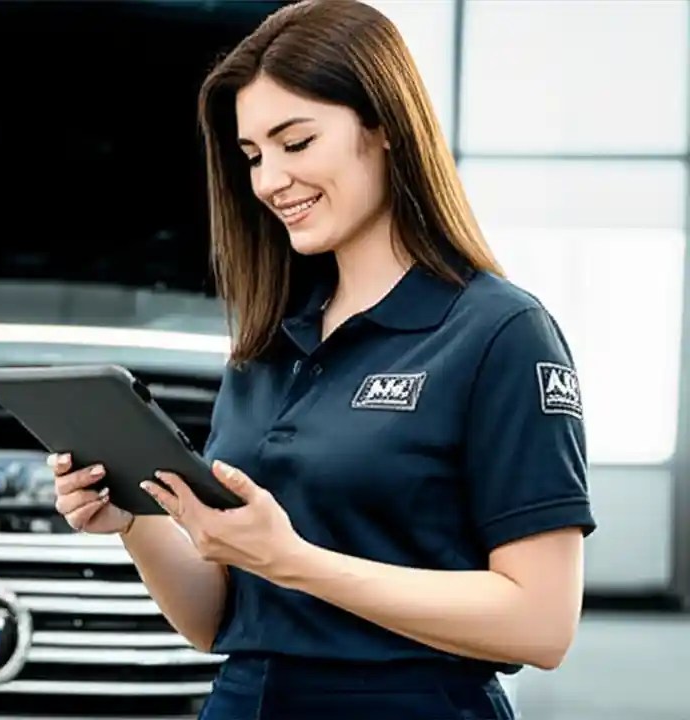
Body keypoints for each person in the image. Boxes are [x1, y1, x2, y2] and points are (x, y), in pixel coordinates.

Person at [48, 1, 596, 718]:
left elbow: (541, 623)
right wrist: (137, 520)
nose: (271, 180)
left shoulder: (500, 333)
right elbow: (216, 620)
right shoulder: (269, 343)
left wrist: (295, 561)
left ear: (386, 128)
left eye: (296, 142)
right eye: (252, 157)